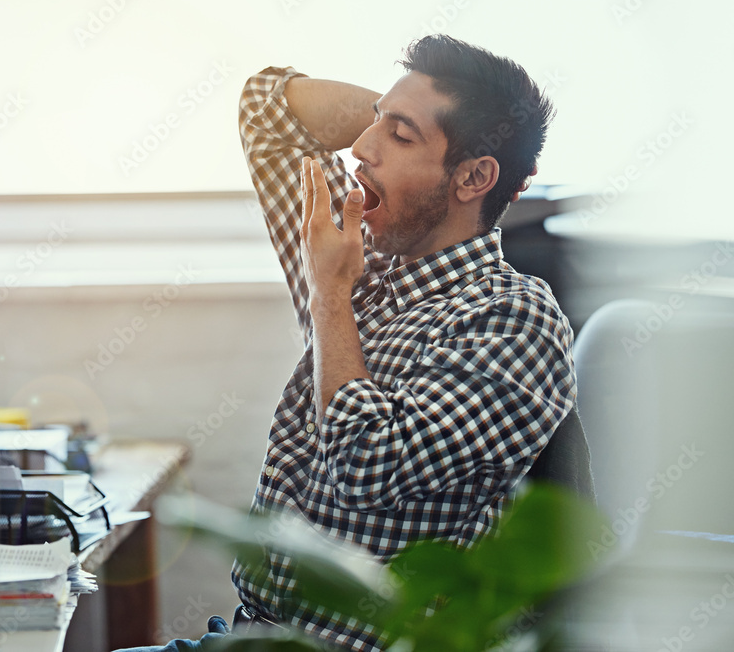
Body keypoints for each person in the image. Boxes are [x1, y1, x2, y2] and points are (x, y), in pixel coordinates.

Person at [117, 34, 574, 652]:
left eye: (399, 137)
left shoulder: (514, 321)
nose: (360, 147)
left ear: (473, 177)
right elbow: (268, 109)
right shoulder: (365, 254)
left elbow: (364, 469)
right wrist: (399, 116)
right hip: (250, 636)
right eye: (374, 122)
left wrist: (330, 296)